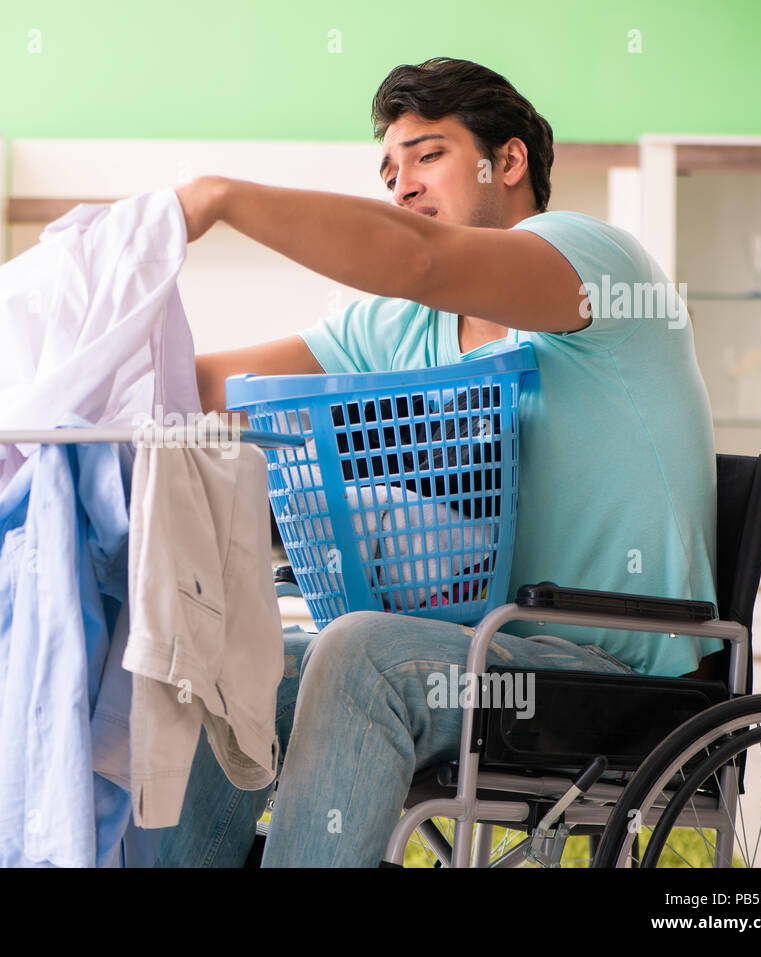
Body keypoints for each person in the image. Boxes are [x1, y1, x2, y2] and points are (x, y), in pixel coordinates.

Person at [160, 56, 722, 867]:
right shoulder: (406, 326)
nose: (404, 185)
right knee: (237, 662)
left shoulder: (592, 259)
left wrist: (220, 198)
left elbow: (420, 256)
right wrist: (71, 369)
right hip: (487, 649)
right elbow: (214, 387)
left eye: (428, 155)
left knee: (357, 652)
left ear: (509, 160)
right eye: (390, 172)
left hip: (615, 672)